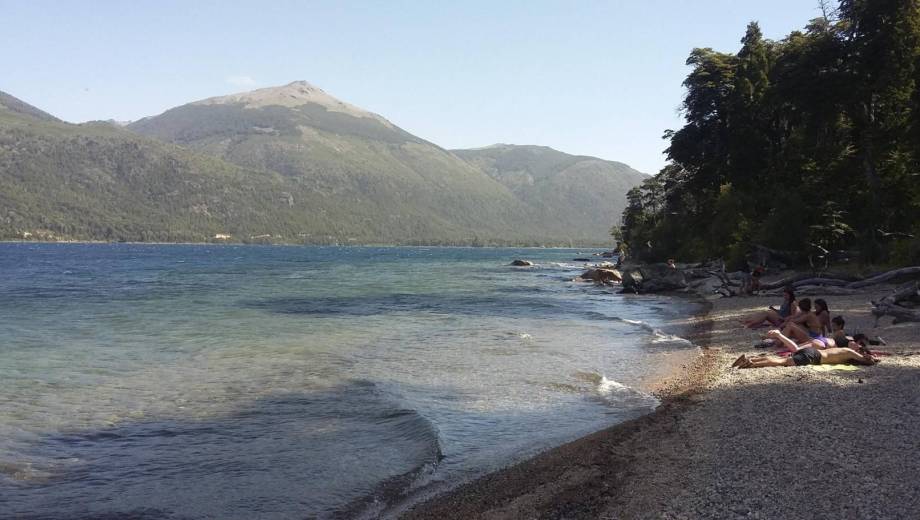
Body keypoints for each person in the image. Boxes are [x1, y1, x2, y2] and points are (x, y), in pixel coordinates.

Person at [732, 332, 877, 369]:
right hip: (813, 356)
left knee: (781, 360)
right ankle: (751, 363)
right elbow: (866, 360)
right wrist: (872, 358)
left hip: (812, 352)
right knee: (780, 362)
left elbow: (864, 359)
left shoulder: (847, 351)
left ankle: (750, 360)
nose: (856, 346)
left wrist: (869, 356)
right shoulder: (848, 352)